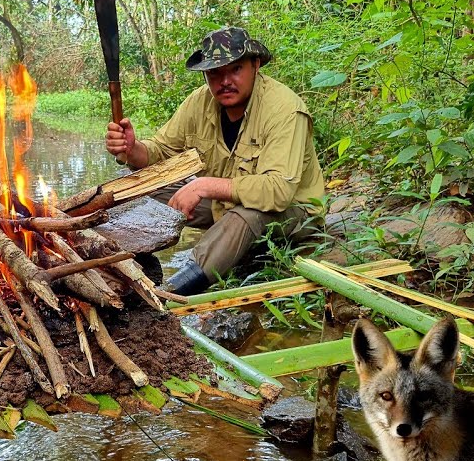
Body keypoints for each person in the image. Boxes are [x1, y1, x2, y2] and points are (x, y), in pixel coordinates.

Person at [105, 27, 326, 295]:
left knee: (247, 215)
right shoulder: (200, 103)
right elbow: (159, 152)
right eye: (215, 73)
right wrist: (132, 148)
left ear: (255, 65)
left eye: (235, 69)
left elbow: (277, 191)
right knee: (138, 189)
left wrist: (204, 186)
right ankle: (108, 259)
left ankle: (172, 295)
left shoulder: (284, 109)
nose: (225, 81)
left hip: (294, 214)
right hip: (227, 204)